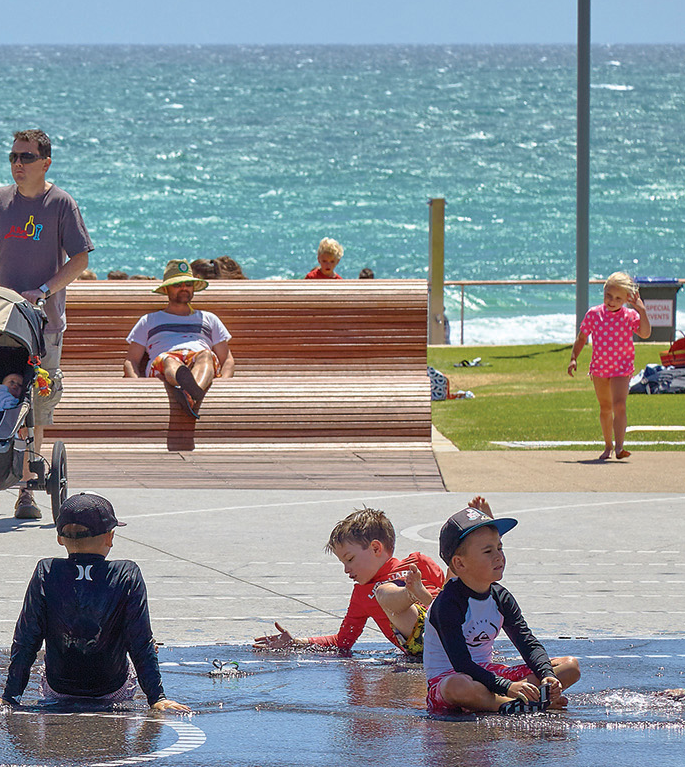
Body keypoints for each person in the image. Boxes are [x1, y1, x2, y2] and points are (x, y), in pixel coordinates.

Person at [0, 129, 92, 519]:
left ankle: (27, 485)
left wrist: (45, 289)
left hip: (43, 323)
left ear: (45, 162)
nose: (18, 164)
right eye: (13, 156)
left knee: (34, 404)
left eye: (26, 157)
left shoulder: (61, 204)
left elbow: (81, 258)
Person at [0, 493, 192, 713]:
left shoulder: (46, 572)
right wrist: (157, 697)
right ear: (110, 537)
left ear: (60, 538)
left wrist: (10, 697)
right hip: (113, 689)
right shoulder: (127, 574)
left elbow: (26, 638)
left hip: (58, 689)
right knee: (145, 646)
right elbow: (140, 640)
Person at [253, 503, 478, 657]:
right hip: (426, 637)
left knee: (455, 579)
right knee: (388, 597)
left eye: (349, 559)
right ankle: (411, 595)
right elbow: (342, 641)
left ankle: (477, 536)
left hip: (457, 624)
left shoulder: (417, 562)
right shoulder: (361, 594)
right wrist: (296, 642)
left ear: (376, 548)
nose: (346, 570)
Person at [424, 504, 582, 716]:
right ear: (459, 564)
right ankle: (512, 703)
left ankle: (523, 701)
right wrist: (509, 687)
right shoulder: (448, 603)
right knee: (458, 686)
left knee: (570, 666)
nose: (498, 556)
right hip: (452, 681)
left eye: (500, 548)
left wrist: (546, 676)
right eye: (488, 551)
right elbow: (462, 663)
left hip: (490, 677)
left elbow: (527, 642)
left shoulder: (500, 597)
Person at [122, 259, 234, 421]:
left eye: (188, 284)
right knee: (169, 360)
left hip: (199, 359)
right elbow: (131, 360)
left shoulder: (209, 319)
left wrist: (224, 385)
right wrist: (137, 387)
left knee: (206, 356)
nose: (184, 288)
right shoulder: (149, 320)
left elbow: (227, 360)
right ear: (166, 289)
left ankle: (190, 394)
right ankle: (191, 391)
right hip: (164, 361)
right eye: (177, 285)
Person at [569, 271, 652, 461]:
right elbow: (582, 337)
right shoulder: (594, 314)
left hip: (621, 368)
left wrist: (642, 311)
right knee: (605, 408)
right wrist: (574, 358)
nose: (612, 301)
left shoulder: (630, 315)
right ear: (604, 291)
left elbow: (645, 333)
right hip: (599, 368)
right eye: (609, 296)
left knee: (619, 405)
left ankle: (620, 447)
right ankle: (608, 445)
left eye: (618, 298)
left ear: (625, 299)